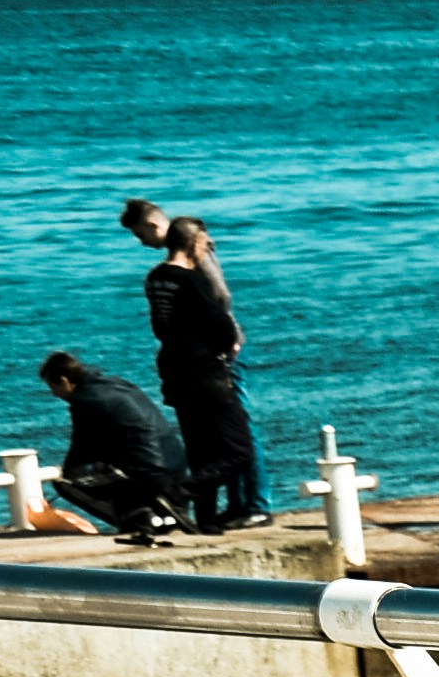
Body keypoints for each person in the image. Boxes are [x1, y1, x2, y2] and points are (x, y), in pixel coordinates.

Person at [146, 216, 267, 533]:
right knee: (239, 450)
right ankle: (179, 492)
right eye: (203, 243)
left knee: (200, 448)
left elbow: (160, 326)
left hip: (173, 369)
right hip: (205, 372)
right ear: (192, 243)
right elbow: (220, 322)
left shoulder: (156, 278)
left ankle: (206, 520)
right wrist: (228, 346)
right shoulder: (190, 280)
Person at [36, 352, 188, 538]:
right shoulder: (117, 383)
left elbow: (81, 447)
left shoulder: (83, 402)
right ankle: (161, 513)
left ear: (64, 380)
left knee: (68, 483)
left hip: (148, 470)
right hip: (175, 462)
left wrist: (67, 472)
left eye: (53, 387)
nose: (54, 394)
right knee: (116, 465)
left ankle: (137, 517)